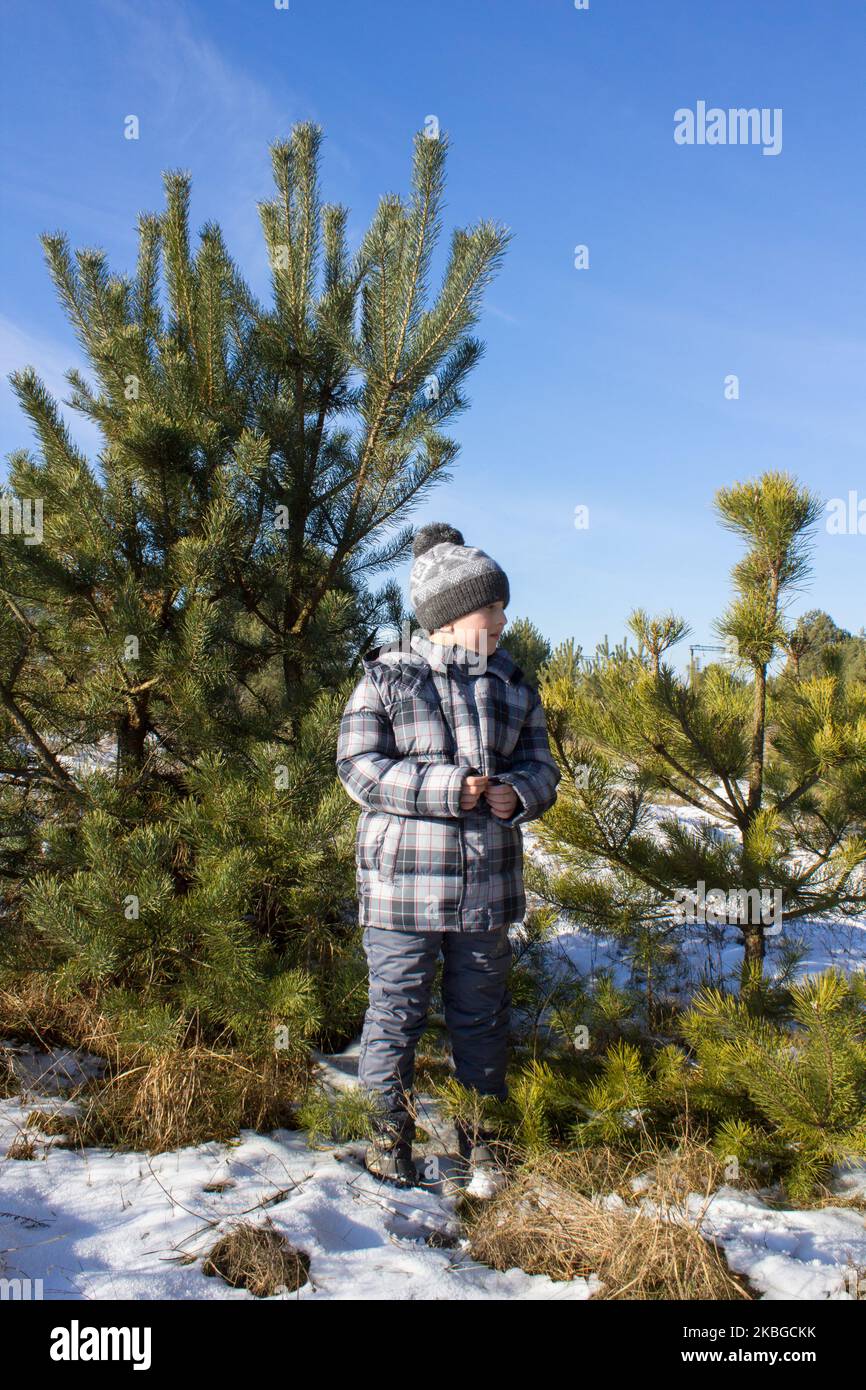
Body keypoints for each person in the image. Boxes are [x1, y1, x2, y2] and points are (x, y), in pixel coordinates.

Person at [335, 522, 562, 1188]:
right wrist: (443, 787)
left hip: (483, 891)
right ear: (443, 617)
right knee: (397, 1009)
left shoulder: (515, 685)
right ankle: (385, 1135)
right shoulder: (389, 676)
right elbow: (356, 766)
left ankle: (483, 1137)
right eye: (488, 607)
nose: (501, 619)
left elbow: (543, 767)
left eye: (502, 607)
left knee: (482, 1015)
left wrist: (519, 793)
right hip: (402, 890)